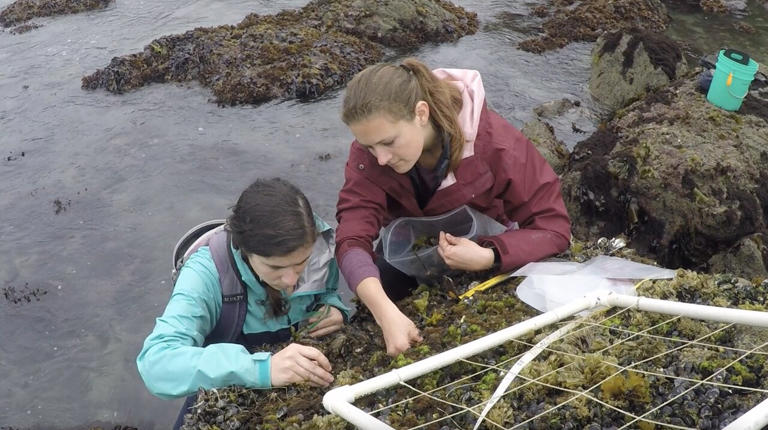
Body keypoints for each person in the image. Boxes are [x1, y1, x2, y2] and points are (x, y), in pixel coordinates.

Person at [335, 58, 571, 357]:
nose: (380, 159)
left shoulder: (495, 143)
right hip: (411, 253)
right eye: (369, 147)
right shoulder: (370, 152)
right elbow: (352, 236)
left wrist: (490, 255)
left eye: (389, 142)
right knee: (375, 293)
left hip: (482, 245)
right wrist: (384, 312)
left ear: (421, 113)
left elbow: (554, 227)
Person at [137, 178, 350, 429]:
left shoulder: (317, 246)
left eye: (301, 263)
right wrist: (262, 369)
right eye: (275, 268)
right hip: (223, 386)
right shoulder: (205, 275)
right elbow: (157, 363)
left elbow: (326, 292)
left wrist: (334, 308)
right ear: (245, 250)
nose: (292, 280)